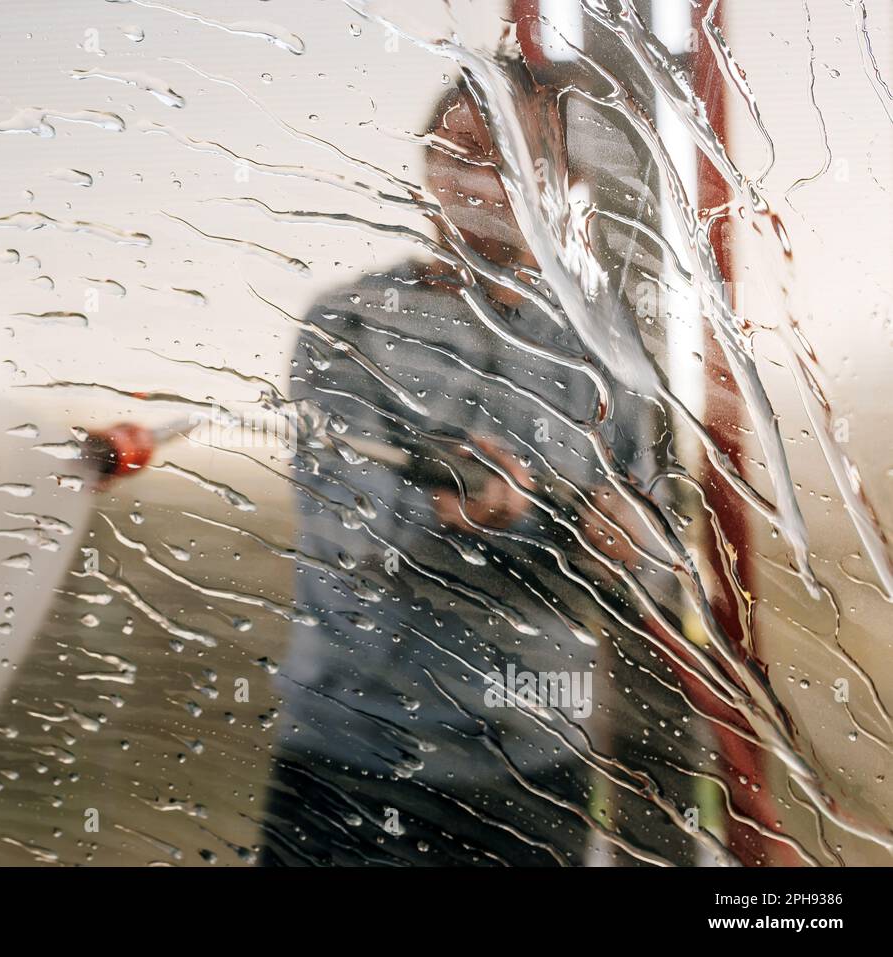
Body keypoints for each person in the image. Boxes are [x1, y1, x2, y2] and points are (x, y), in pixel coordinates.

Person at [258, 50, 712, 866]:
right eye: (458, 151)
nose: (476, 180)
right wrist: (446, 505)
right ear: (428, 167)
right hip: (357, 755)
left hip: (536, 771)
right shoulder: (351, 324)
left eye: (506, 159)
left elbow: (657, 541)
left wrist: (631, 543)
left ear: (556, 179)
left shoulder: (606, 348)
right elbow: (339, 522)